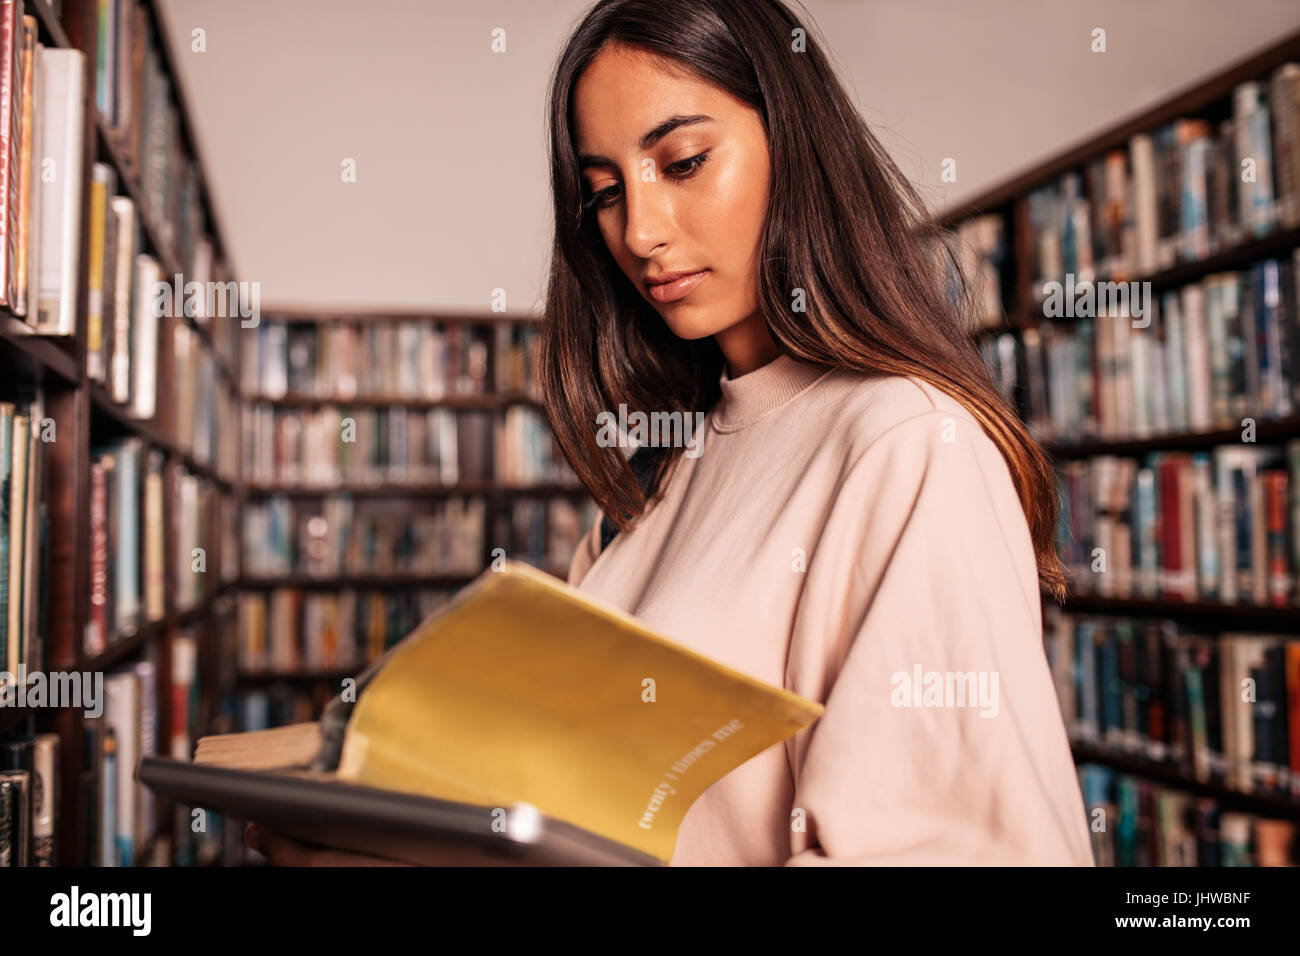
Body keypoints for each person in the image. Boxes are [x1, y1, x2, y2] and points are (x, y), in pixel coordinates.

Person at [251, 0, 1094, 867]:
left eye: (684, 162)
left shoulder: (909, 445)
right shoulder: (659, 476)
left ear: (795, 144)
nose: (641, 233)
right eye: (607, 192)